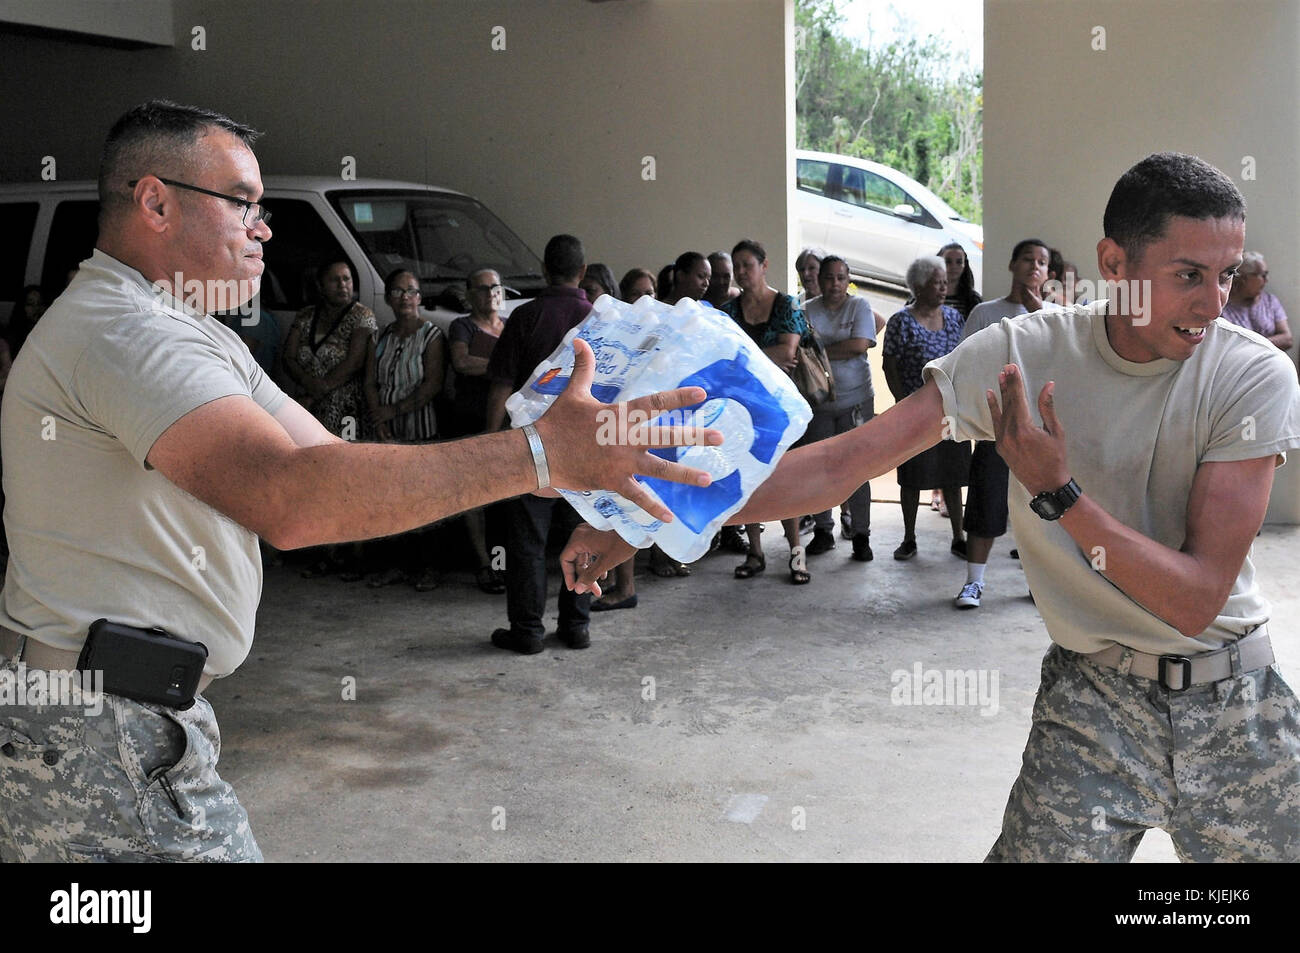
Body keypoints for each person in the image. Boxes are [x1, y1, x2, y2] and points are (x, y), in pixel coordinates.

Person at [0, 100, 718, 863]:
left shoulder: (184, 328)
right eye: (243, 202)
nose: (264, 226)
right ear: (155, 202)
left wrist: (553, 462)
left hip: (115, 720)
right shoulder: (126, 331)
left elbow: (332, 463)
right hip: (99, 736)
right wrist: (539, 455)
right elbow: (293, 498)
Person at [566, 151, 1300, 862]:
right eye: (1190, 276)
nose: (1215, 303)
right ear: (1115, 264)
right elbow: (838, 464)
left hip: (1234, 703)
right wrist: (647, 514)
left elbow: (1197, 596)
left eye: (1227, 274)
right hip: (1094, 701)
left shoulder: (1251, 376)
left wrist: (1059, 492)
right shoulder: (1021, 351)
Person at [484, 234, 602, 654]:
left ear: (543, 270)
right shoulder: (597, 319)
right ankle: (577, 626)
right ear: (582, 272)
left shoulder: (525, 316)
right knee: (584, 536)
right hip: (589, 450)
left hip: (531, 448)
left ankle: (528, 631)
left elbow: (501, 386)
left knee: (528, 544)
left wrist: (490, 442)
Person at [951, 239, 1054, 608]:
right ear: (1012, 264)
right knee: (985, 503)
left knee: (1042, 510)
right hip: (994, 429)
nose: (1034, 266)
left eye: (1042, 262)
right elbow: (964, 361)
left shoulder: (1056, 315)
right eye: (1027, 259)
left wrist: (1038, 312)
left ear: (1049, 274)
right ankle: (973, 582)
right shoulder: (985, 312)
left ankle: (1037, 585)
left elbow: (1060, 367)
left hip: (1039, 432)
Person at [720, 239, 814, 585]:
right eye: (737, 266)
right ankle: (755, 552)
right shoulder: (728, 311)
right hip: (741, 408)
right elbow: (728, 362)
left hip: (779, 406)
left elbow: (788, 353)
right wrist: (763, 355)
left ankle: (795, 552)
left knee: (784, 479)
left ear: (764, 265)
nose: (742, 272)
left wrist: (745, 359)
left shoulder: (787, 304)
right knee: (747, 478)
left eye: (748, 264)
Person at [283, 258, 378, 578]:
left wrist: (316, 391)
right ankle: (327, 552)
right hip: (311, 410)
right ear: (321, 285)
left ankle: (356, 555)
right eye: (335, 280)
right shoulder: (306, 316)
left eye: (348, 279)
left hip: (346, 410)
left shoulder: (362, 316)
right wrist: (310, 391)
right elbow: (289, 357)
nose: (343, 285)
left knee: (351, 481)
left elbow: (352, 364)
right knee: (319, 483)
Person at [362, 268, 447, 592]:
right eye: (397, 292)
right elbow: (370, 381)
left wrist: (394, 411)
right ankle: (394, 566)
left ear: (419, 297)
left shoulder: (432, 336)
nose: (405, 298)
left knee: (424, 500)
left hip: (420, 429)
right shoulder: (379, 337)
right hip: (386, 432)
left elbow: (432, 385)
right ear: (388, 299)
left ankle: (428, 569)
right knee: (388, 500)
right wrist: (380, 419)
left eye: (411, 291)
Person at [882, 256, 970, 561]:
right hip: (914, 411)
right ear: (919, 286)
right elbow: (889, 365)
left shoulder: (955, 318)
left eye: (946, 281)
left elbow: (962, 359)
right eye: (937, 282)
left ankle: (959, 536)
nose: (944, 287)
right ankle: (909, 538)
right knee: (911, 476)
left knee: (953, 475)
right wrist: (903, 403)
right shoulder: (901, 321)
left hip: (949, 409)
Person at [801, 255, 877, 562]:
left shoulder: (859, 307)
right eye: (829, 277)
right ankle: (823, 529)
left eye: (841, 278)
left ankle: (861, 534)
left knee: (857, 468)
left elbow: (860, 344)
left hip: (855, 400)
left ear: (848, 281)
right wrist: (828, 353)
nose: (835, 284)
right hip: (818, 402)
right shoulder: (806, 310)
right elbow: (799, 348)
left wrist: (819, 353)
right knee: (821, 467)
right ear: (819, 280)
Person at [445, 268, 508, 594]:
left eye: (494, 287)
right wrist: (504, 366)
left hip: (504, 423)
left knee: (503, 495)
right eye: (481, 289)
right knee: (473, 494)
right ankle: (484, 564)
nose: (489, 294)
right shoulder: (463, 325)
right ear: (470, 294)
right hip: (470, 419)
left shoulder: (509, 327)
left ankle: (501, 566)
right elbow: (462, 362)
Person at [1221, 251, 1293, 351]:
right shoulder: (1222, 307)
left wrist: (1251, 347)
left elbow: (1287, 339)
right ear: (1244, 278)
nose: (1266, 280)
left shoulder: (1269, 301)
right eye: (1263, 275)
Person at [938, 242, 982, 319]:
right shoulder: (923, 296)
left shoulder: (974, 300)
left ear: (964, 265)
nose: (953, 266)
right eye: (948, 262)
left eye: (959, 262)